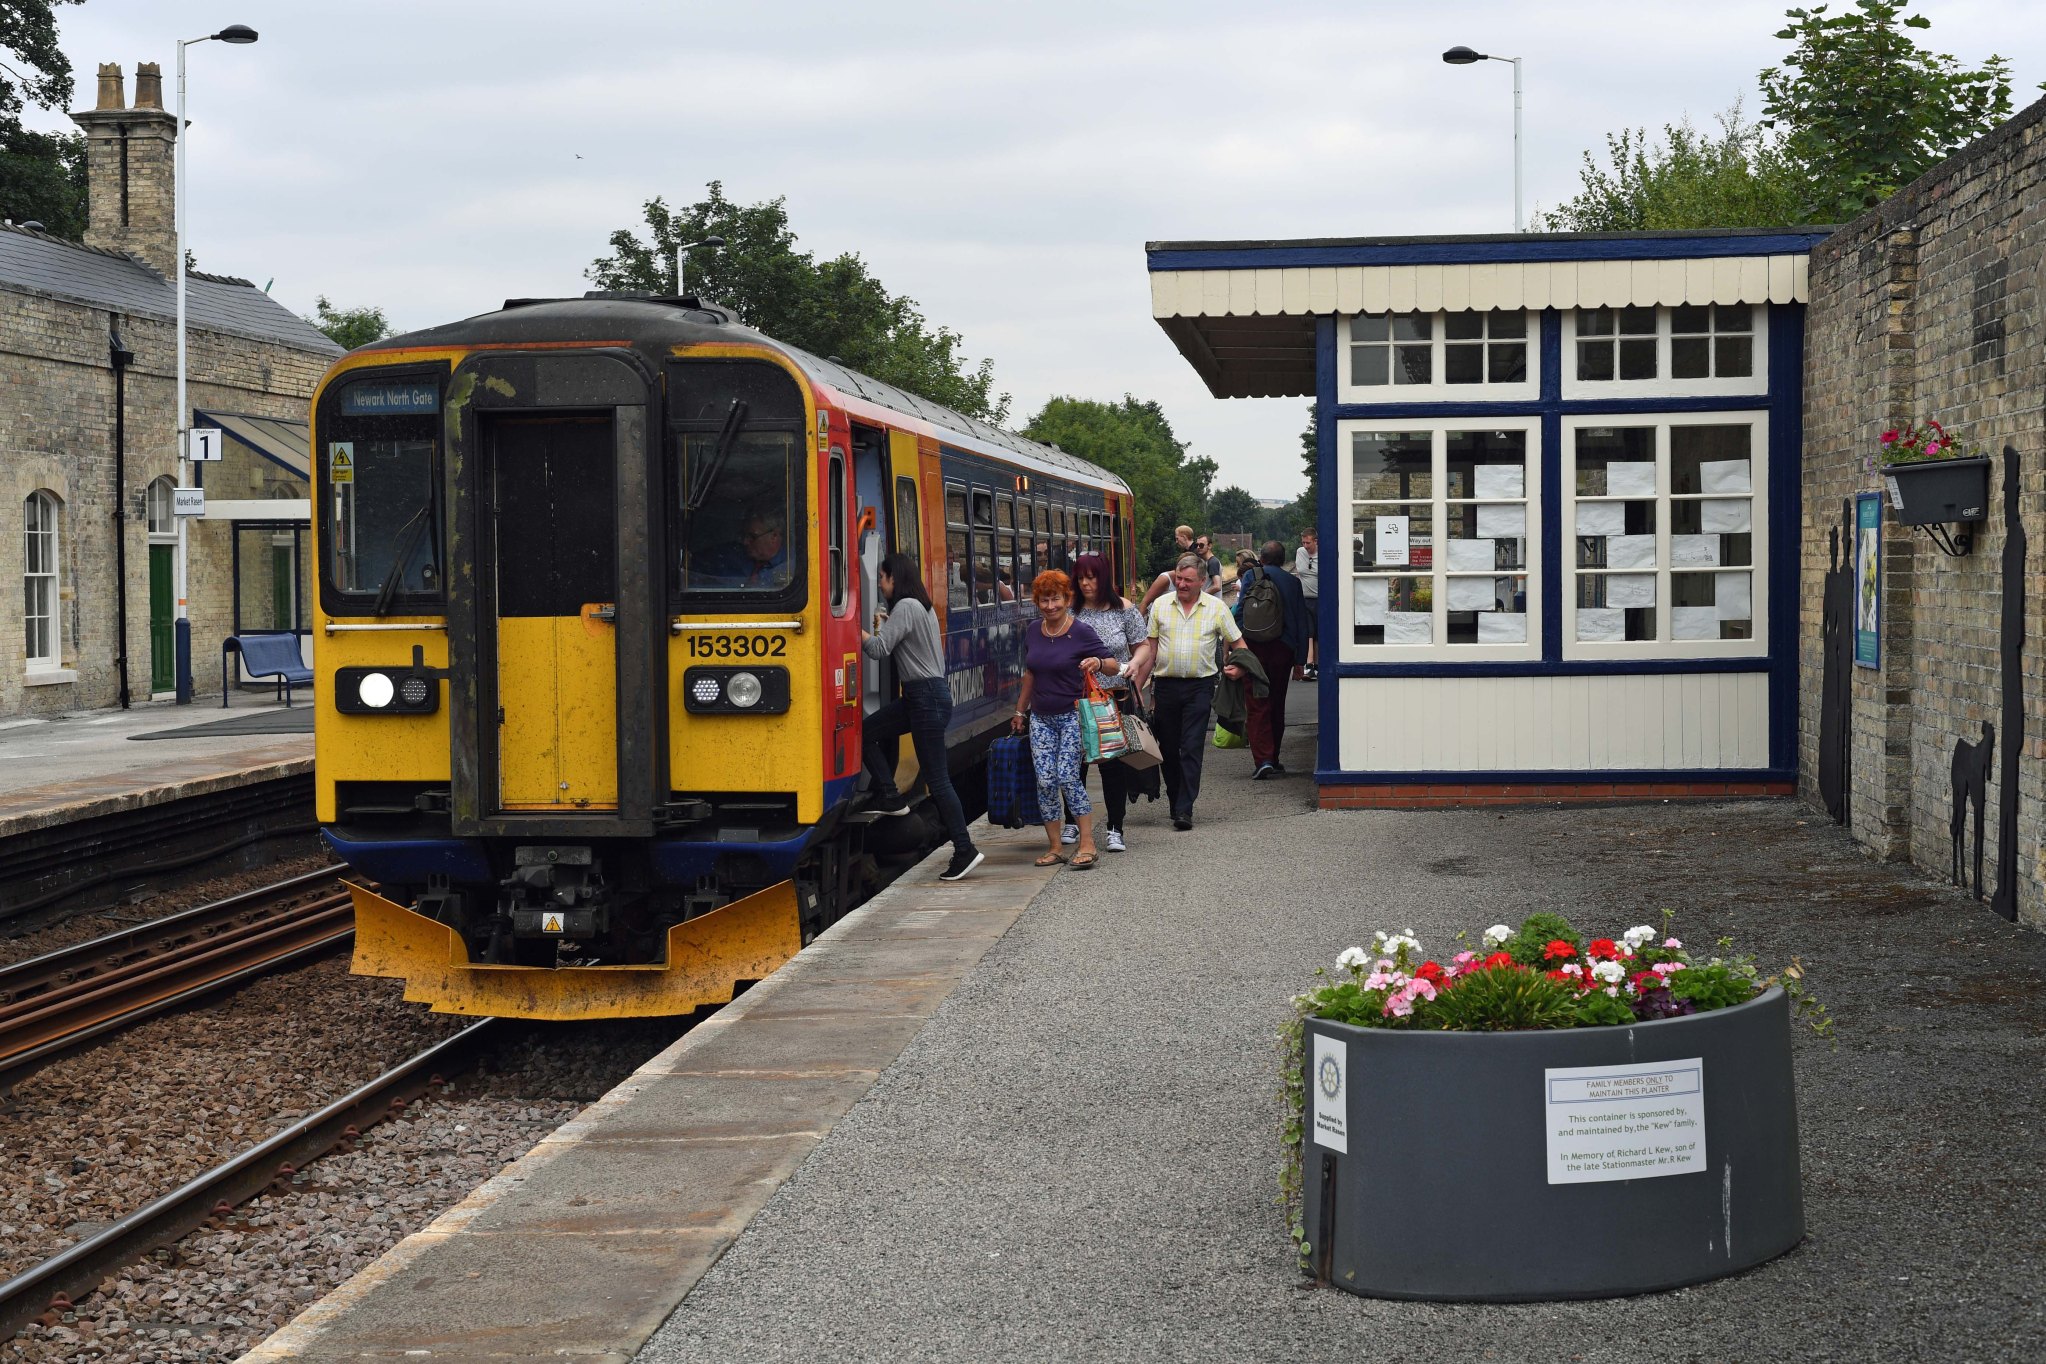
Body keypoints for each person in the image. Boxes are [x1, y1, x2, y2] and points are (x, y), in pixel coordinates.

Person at [860, 554, 982, 881]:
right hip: (924, 696)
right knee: (865, 732)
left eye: (883, 578)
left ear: (893, 579)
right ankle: (889, 794)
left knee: (938, 780)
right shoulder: (921, 607)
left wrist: (852, 630)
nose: (882, 584)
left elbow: (877, 650)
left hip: (924, 697)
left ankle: (964, 848)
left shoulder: (905, 607)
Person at [1012, 570, 1117, 869]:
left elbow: (1111, 665)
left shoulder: (1081, 631)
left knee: (1068, 777)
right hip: (1041, 718)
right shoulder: (1034, 630)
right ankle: (1056, 846)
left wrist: (1097, 662)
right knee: (1045, 780)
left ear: (1067, 599)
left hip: (1072, 714)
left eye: (1055, 599)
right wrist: (1020, 711)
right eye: (1044, 600)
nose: (1050, 606)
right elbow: (1030, 674)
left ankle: (1087, 843)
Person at [1146, 554, 1244, 831]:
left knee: (1191, 748)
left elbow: (1240, 645)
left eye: (1188, 580)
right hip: (1165, 687)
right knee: (1168, 748)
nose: (1182, 584)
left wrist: (1239, 668)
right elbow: (1150, 650)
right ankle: (1175, 797)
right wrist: (1136, 683)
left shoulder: (1216, 608)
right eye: (1178, 578)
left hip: (1199, 688)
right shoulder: (1160, 606)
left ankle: (1185, 808)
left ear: (1202, 581)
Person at [1072, 553, 1154, 853]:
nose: (1085, 583)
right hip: (1077, 699)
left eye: (1091, 577)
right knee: (1076, 763)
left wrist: (1134, 664)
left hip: (1114, 698)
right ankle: (1072, 821)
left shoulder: (1124, 609)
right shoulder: (1071, 610)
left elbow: (1143, 645)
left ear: (1103, 578)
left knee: (1111, 764)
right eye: (1080, 578)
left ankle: (1115, 827)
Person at [1233, 540, 1311, 780]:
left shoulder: (1251, 576)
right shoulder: (1293, 582)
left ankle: (1263, 759)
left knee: (1256, 704)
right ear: (1282, 559)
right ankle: (1274, 757)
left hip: (1254, 647)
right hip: (1283, 648)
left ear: (1262, 559)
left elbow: (1239, 612)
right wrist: (1300, 661)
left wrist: (1238, 649)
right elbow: (1301, 621)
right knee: (1277, 702)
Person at [1139, 525, 1198, 611]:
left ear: (1184, 537)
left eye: (1177, 538)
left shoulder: (1195, 553)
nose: (1176, 542)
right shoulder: (1190, 552)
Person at [1294, 526, 1320, 680]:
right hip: (1305, 598)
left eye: (1308, 543)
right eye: (1303, 542)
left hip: (1320, 598)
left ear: (1315, 541)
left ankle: (1316, 665)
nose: (1305, 546)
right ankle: (1309, 665)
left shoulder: (1322, 553)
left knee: (1317, 634)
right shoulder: (1300, 552)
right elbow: (1301, 569)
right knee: (1308, 633)